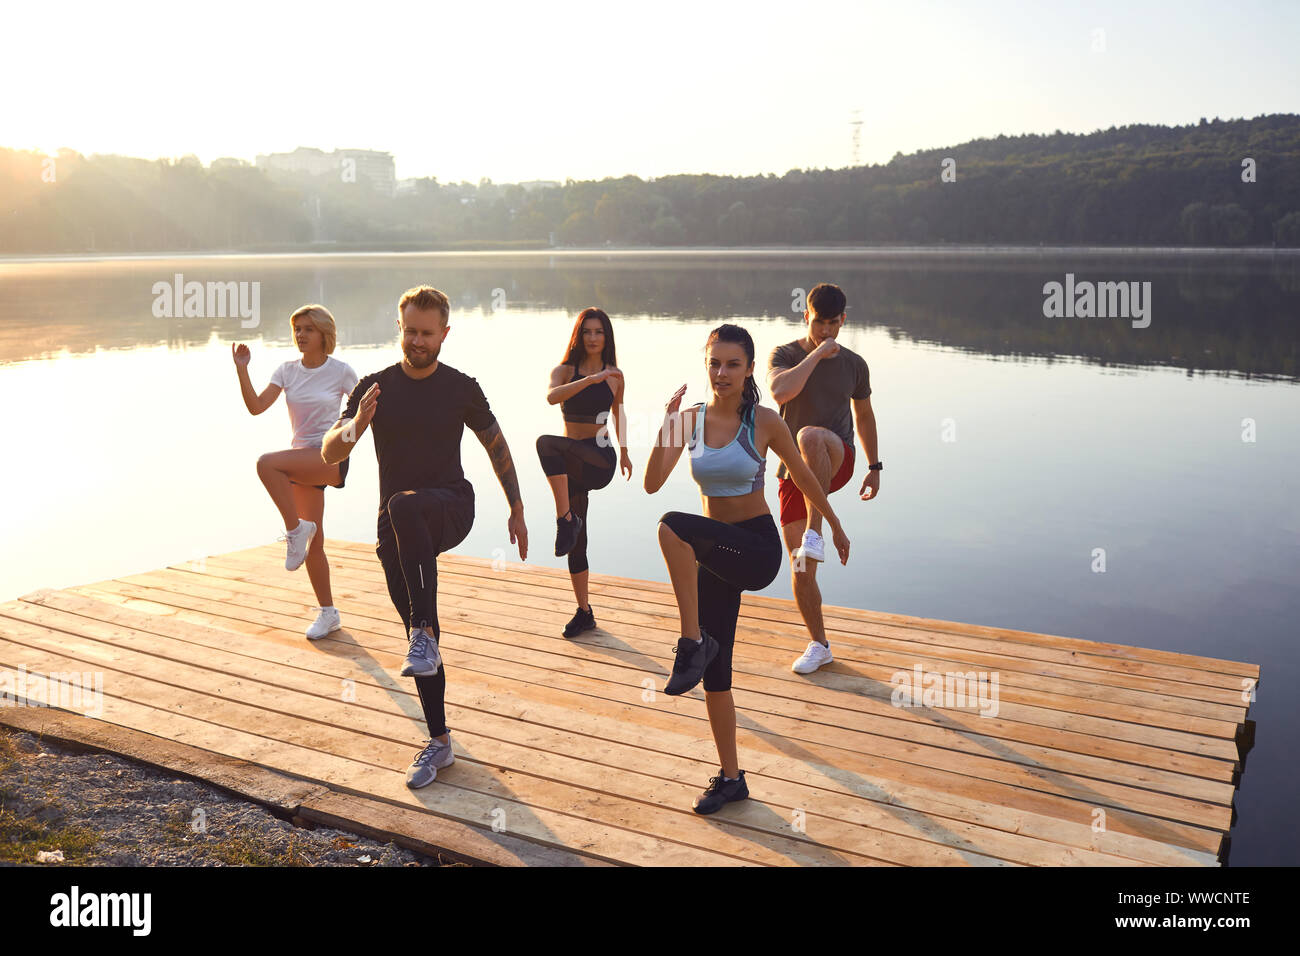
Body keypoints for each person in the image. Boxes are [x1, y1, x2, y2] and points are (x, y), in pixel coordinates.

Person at [321, 286, 528, 790]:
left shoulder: (461, 387)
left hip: (450, 505)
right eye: (409, 331)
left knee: (405, 507)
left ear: (444, 335)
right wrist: (357, 424)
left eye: (426, 333)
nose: (416, 341)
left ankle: (422, 635)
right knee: (422, 634)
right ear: (400, 327)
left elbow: (496, 446)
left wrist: (517, 506)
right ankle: (440, 742)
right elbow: (329, 453)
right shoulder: (374, 388)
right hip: (395, 529)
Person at [644, 323, 850, 814]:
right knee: (717, 676)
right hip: (717, 554)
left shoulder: (764, 421)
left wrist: (836, 526)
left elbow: (802, 479)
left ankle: (690, 640)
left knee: (671, 527)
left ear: (750, 368)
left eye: (733, 364)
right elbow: (652, 481)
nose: (722, 373)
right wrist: (666, 426)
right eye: (714, 363)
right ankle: (732, 778)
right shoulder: (690, 420)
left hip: (755, 549)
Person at [768, 282, 881, 675]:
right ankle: (819, 645)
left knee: (810, 435)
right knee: (801, 568)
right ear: (806, 317)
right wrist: (816, 354)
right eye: (820, 324)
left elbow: (864, 416)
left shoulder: (854, 364)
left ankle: (816, 534)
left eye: (835, 324)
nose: (828, 332)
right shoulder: (786, 354)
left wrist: (875, 467)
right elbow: (781, 393)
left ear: (843, 319)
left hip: (838, 458)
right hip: (793, 472)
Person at [232, 305, 358, 640]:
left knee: (266, 463)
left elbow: (363, 412)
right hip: (301, 460)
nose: (300, 334)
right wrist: (242, 370)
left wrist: (347, 429)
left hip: (328, 457)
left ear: (323, 334)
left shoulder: (341, 371)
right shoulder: (287, 371)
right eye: (297, 328)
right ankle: (329, 613)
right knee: (314, 545)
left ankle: (294, 529)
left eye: (307, 329)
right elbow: (257, 407)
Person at [536, 308, 633, 637]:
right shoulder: (564, 371)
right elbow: (551, 397)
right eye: (587, 332)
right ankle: (584, 611)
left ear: (607, 337)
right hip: (571, 464)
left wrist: (626, 454)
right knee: (577, 544)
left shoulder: (615, 375)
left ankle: (564, 519)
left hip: (599, 458)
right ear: (579, 335)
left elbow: (618, 414)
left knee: (546, 444)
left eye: (599, 332)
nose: (593, 338)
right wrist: (588, 380)